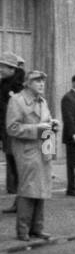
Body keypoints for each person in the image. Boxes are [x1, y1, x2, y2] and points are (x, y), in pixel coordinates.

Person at [6, 69, 58, 241]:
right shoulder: (17, 101)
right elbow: (12, 128)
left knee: (42, 189)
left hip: (42, 150)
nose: (41, 84)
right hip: (27, 151)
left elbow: (47, 126)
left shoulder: (42, 101)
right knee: (28, 190)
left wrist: (52, 128)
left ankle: (37, 228)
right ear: (27, 83)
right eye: (37, 81)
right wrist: (38, 129)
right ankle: (23, 230)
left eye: (43, 81)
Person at [1, 52, 24, 200]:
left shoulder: (17, 87)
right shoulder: (4, 83)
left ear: (12, 69)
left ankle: (21, 199)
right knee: (12, 161)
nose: (0, 70)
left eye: (2, 67)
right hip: (6, 130)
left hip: (16, 131)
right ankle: (17, 198)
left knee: (17, 165)